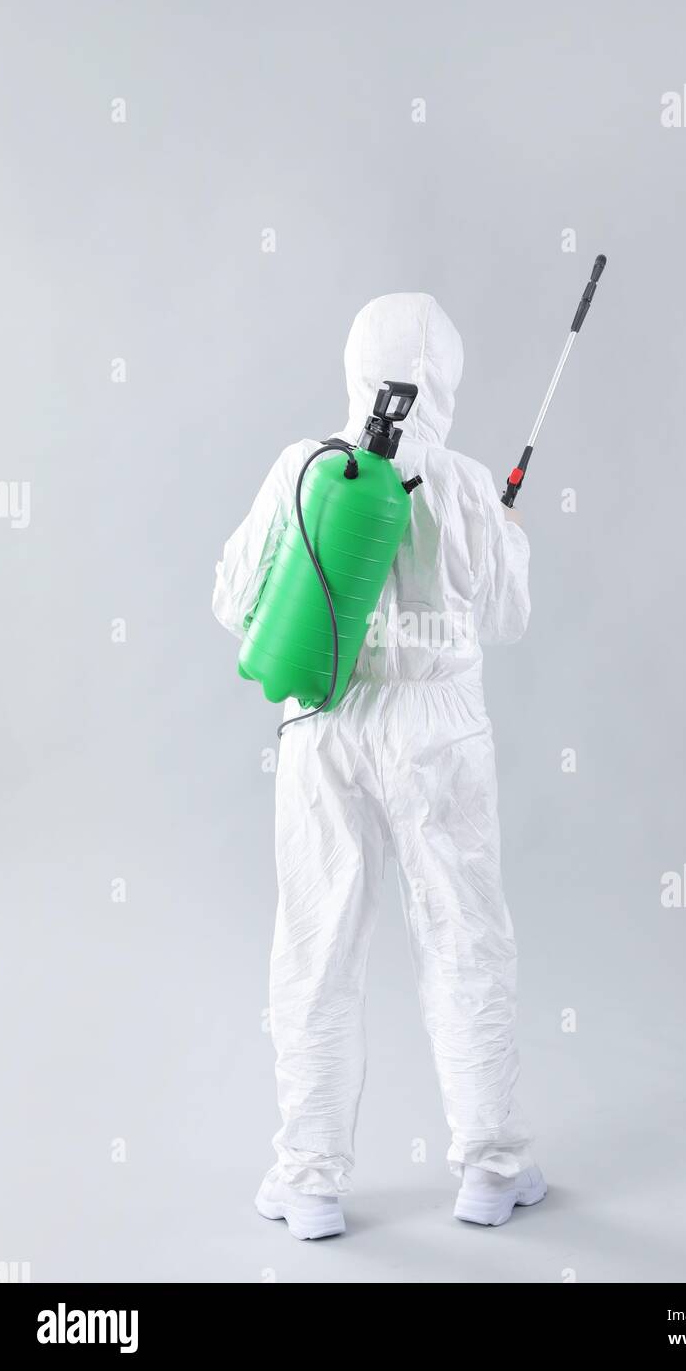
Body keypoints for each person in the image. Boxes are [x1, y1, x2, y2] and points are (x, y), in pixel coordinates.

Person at [213, 292, 545, 1239]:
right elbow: (510, 621)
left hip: (323, 717)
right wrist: (505, 536)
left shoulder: (305, 468)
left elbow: (236, 601)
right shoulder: (467, 480)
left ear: (356, 367)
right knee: (465, 941)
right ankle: (493, 1169)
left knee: (317, 949)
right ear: (445, 384)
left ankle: (310, 1182)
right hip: (440, 728)